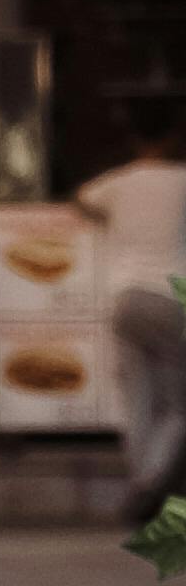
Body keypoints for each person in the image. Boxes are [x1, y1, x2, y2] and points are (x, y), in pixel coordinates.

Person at [82, 104, 186, 528]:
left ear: (135, 141)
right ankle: (150, 484)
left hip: (124, 299)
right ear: (173, 139)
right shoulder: (183, 180)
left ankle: (143, 482)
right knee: (177, 405)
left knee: (138, 401)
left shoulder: (118, 183)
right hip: (172, 299)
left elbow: (81, 200)